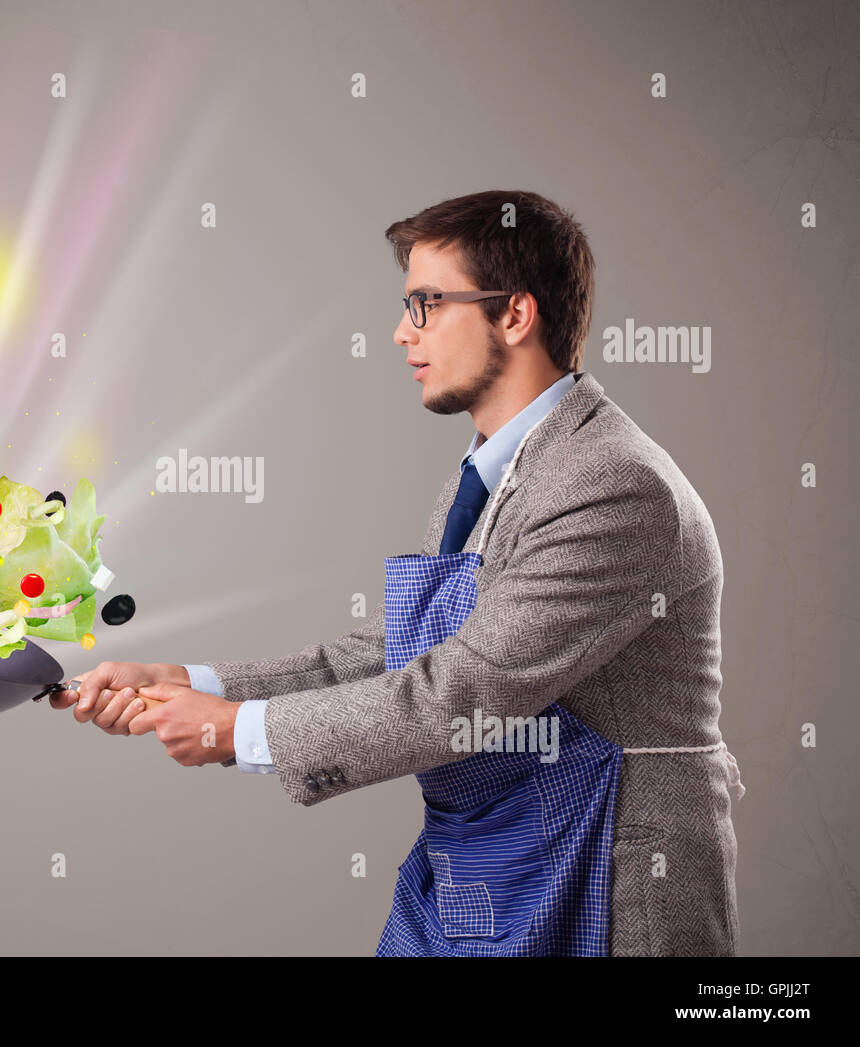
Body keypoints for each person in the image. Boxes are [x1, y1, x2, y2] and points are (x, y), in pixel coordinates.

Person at [57, 188, 739, 956]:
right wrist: (195, 682)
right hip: (487, 867)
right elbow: (394, 652)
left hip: (604, 877)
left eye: (425, 304)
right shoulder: (486, 474)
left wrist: (235, 731)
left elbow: (462, 690)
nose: (399, 332)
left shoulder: (611, 484)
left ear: (515, 315)